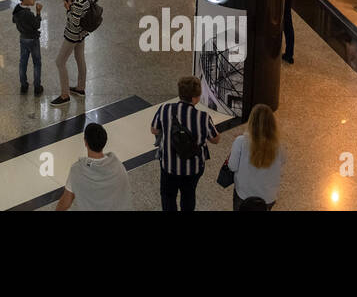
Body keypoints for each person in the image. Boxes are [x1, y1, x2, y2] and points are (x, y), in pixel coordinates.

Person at [150, 75, 220, 212]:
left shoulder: (165, 109)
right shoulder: (203, 118)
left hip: (168, 166)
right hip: (192, 169)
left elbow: (154, 130)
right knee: (188, 197)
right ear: (195, 98)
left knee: (168, 196)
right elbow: (216, 139)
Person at [57, 123, 133, 211]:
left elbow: (65, 203)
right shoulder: (118, 166)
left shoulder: (77, 170)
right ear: (104, 141)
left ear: (85, 142)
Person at [226, 103, 285, 211]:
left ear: (251, 121)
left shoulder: (241, 141)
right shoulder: (278, 145)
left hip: (244, 195)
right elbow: (281, 163)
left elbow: (232, 166)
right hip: (268, 197)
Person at [50, 0, 91, 106]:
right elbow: (81, 13)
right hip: (82, 34)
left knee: (60, 62)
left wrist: (68, 9)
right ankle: (80, 88)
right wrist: (72, 3)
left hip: (72, 35)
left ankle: (64, 95)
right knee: (80, 58)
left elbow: (74, 21)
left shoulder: (78, 3)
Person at [13, 0, 44, 96]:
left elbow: (14, 21)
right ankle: (37, 87)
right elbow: (37, 25)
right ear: (24, 0)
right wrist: (38, 13)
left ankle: (24, 85)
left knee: (23, 62)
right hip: (33, 40)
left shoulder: (17, 9)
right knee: (36, 63)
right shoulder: (28, 14)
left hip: (23, 39)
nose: (34, 0)